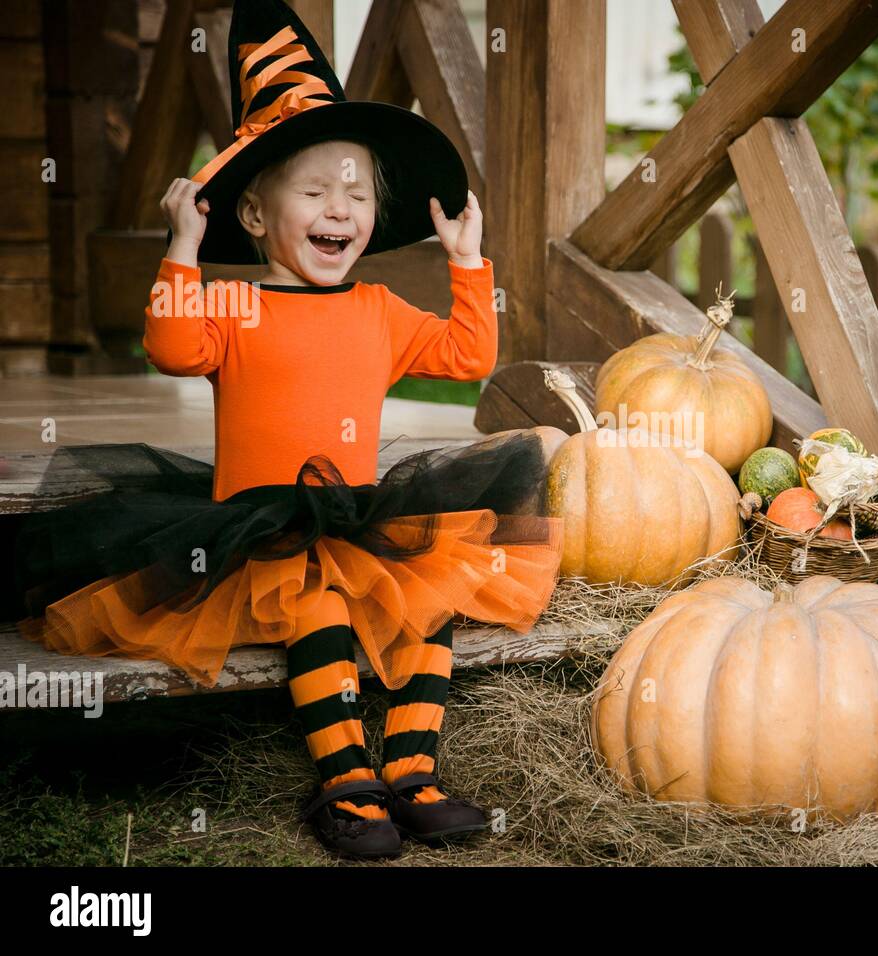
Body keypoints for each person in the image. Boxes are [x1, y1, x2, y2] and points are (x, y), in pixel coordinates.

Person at [13, 0, 563, 860]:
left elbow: (465, 354)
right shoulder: (234, 304)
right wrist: (183, 247)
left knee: (429, 604)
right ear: (259, 217)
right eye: (314, 189)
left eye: (357, 191)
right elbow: (169, 343)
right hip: (257, 527)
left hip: (356, 517)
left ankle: (414, 771)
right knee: (317, 608)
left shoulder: (379, 309)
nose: (339, 204)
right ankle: (346, 783)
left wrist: (466, 261)